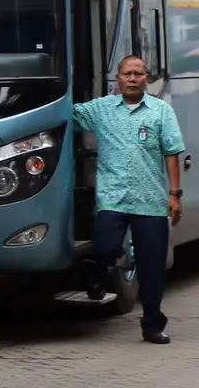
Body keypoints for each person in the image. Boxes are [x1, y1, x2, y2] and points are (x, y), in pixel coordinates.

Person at [73, 55, 185, 344]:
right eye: (127, 74)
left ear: (146, 78)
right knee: (106, 247)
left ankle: (152, 326)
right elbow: (65, 114)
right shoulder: (100, 109)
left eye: (138, 73)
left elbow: (171, 152)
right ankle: (97, 277)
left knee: (151, 268)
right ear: (118, 79)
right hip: (113, 199)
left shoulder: (161, 112)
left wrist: (174, 195)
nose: (133, 78)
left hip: (150, 201)